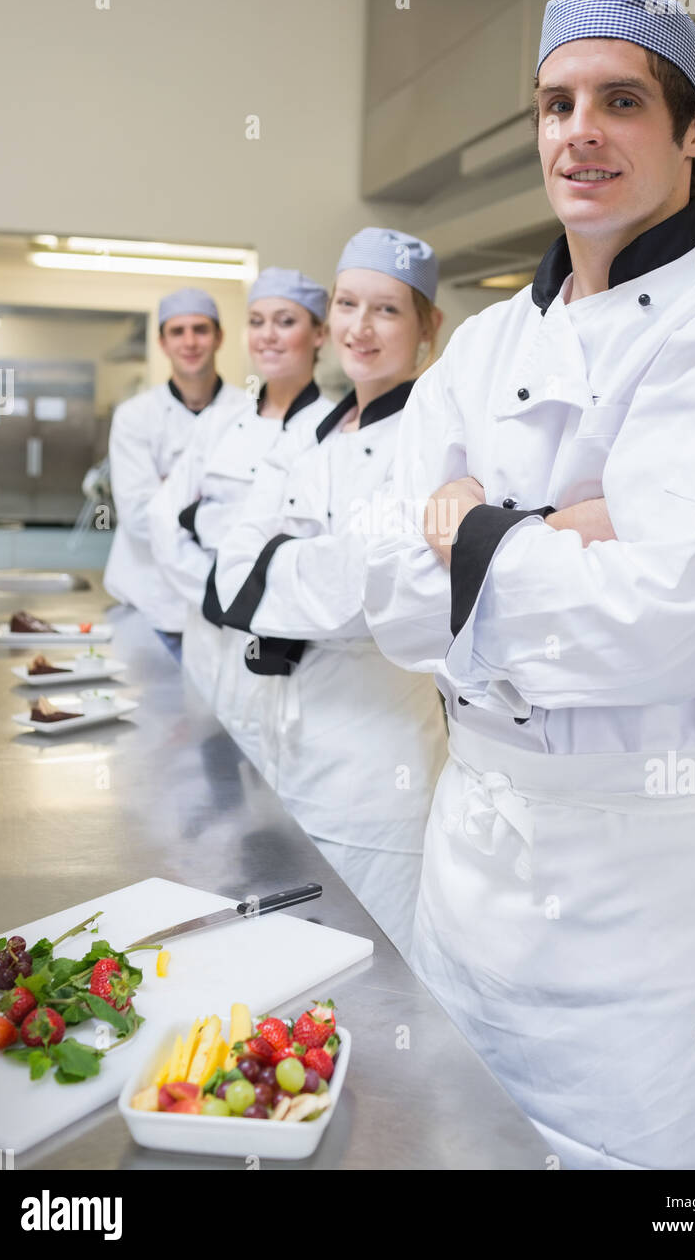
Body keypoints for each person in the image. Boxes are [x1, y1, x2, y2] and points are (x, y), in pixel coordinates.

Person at [363, 0, 695, 1169]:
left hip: (654, 909)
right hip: (467, 874)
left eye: (618, 101)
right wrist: (568, 529)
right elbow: (386, 589)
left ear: (693, 129)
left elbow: (655, 623)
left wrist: (469, 529)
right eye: (554, 103)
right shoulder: (477, 345)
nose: (577, 131)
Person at [213, 228, 449, 958]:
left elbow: (374, 590)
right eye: (348, 304)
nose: (359, 327)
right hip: (283, 730)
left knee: (373, 965)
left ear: (425, 328)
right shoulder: (313, 423)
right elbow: (230, 565)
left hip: (374, 760)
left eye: (386, 310)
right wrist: (302, 565)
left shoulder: (433, 437)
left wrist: (281, 560)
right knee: (292, 962)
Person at [147, 269, 333, 711]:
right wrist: (222, 586)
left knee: (264, 772)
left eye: (285, 321)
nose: (267, 336)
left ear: (320, 334)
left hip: (280, 647)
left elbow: (306, 546)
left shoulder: (329, 429)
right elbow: (162, 519)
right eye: (256, 321)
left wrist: (203, 519)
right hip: (207, 634)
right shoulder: (221, 419)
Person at [103, 288, 243, 655]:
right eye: (177, 332)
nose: (190, 341)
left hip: (223, 609)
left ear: (219, 337)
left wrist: (169, 495)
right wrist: (214, 504)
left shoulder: (249, 414)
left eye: (201, 329)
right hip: (146, 606)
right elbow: (137, 517)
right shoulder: (135, 416)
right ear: (162, 342)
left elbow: (252, 519)